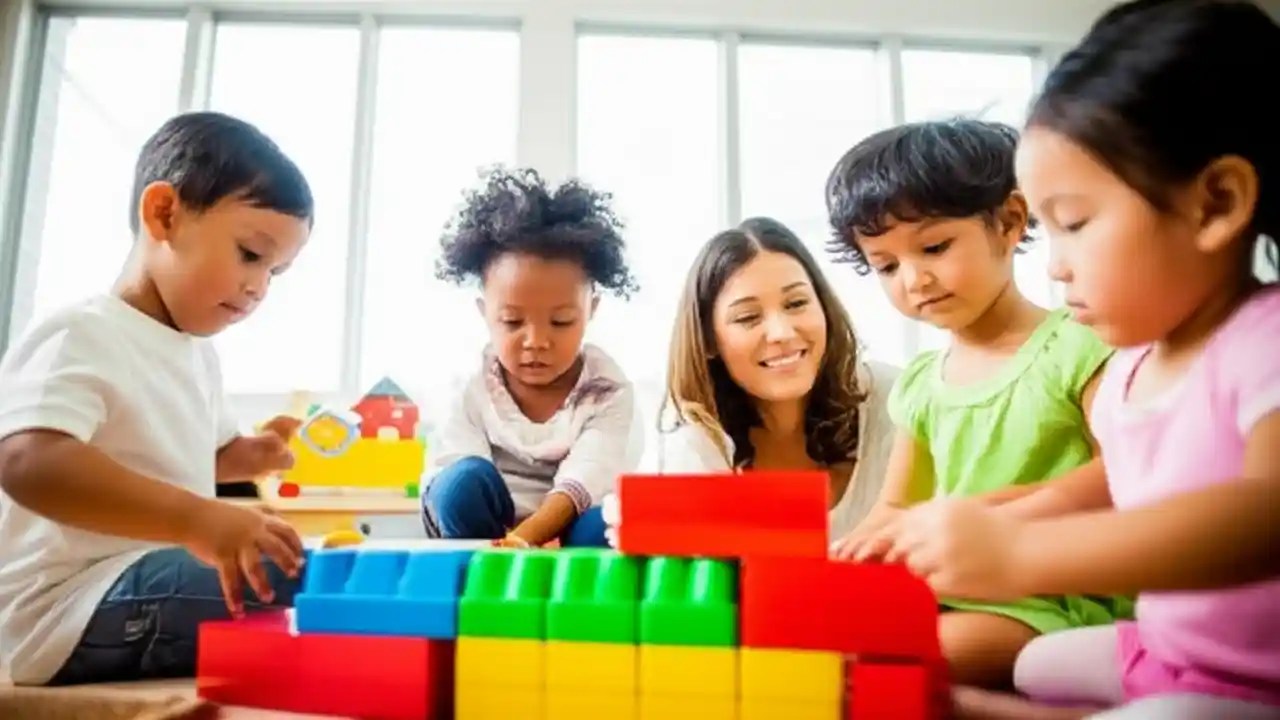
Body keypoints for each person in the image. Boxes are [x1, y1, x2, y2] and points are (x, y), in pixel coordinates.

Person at [883, 2, 1280, 718]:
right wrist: (994, 521)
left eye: (1075, 224)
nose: (1057, 268)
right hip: (1168, 649)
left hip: (1253, 677)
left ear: (1216, 204)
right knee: (1039, 660)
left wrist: (1022, 561)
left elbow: (1263, 513)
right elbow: (1092, 489)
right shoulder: (1131, 362)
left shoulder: (1263, 342)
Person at [0, 111, 312, 685]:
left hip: (143, 575)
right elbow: (27, 461)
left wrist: (251, 453)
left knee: (307, 569)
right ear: (164, 213)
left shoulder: (197, 354)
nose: (259, 287)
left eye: (276, 272)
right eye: (250, 254)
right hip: (68, 605)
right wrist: (196, 519)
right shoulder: (84, 331)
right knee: (299, 578)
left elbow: (196, 458)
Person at [823, 119, 1129, 689]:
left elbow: (1124, 474)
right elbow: (895, 507)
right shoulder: (920, 383)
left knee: (912, 662)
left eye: (934, 246)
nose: (913, 279)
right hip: (952, 585)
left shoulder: (1077, 344)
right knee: (821, 652)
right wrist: (846, 561)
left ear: (1010, 222)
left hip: (1051, 594)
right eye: (886, 265)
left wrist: (984, 514)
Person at [631, 216, 898, 539]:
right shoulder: (687, 435)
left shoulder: (893, 401)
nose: (782, 333)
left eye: (797, 303)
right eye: (747, 317)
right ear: (709, 340)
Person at [423, 167, 641, 548]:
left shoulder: (607, 389)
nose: (536, 341)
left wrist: (525, 540)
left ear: (591, 310)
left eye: (561, 322)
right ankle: (481, 577)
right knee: (463, 483)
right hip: (476, 521)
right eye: (511, 321)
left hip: (564, 519)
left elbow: (585, 477)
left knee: (603, 524)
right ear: (484, 313)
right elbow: (458, 479)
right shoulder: (469, 384)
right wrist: (502, 545)